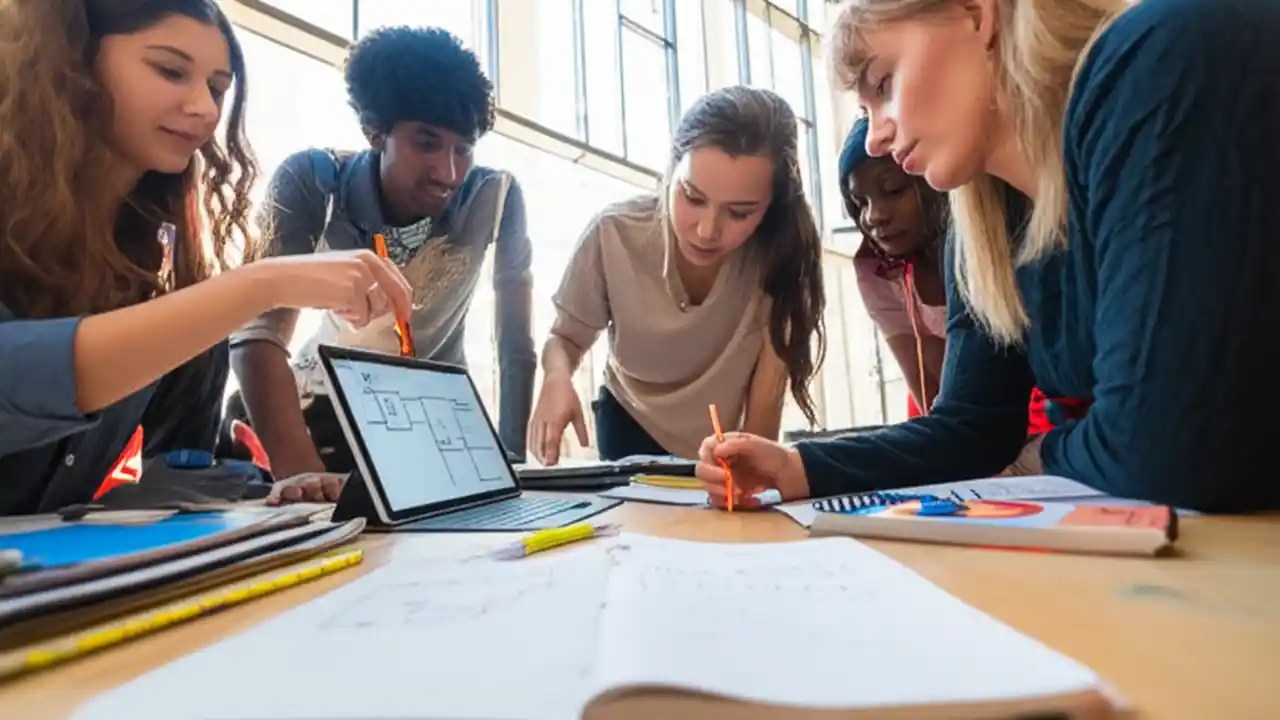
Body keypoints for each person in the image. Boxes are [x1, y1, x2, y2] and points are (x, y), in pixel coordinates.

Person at [696, 0, 1280, 513]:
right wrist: (799, 468)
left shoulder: (1160, 56)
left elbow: (1164, 443)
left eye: (883, 83)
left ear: (977, 13)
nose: (873, 137)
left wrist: (1042, 453)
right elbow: (972, 429)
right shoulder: (983, 229)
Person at [0, 0, 411, 516]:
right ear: (72, 60)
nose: (206, 109)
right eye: (170, 71)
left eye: (218, 88)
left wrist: (278, 488)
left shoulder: (164, 265)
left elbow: (172, 467)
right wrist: (257, 286)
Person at [229, 26, 536, 490]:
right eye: (427, 143)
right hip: (317, 413)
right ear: (376, 132)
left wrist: (513, 460)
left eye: (464, 148)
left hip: (438, 421)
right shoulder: (315, 181)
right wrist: (304, 474)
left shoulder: (496, 197)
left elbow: (514, 343)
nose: (448, 172)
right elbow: (257, 333)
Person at [527, 86, 826, 465]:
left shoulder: (782, 258)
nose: (706, 230)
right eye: (692, 197)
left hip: (720, 443)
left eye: (739, 213)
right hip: (628, 422)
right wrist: (556, 377)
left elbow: (763, 406)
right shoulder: (614, 232)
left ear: (772, 208)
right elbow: (566, 338)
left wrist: (748, 475)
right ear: (671, 172)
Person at [840, 116, 1066, 434]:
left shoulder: (998, 237)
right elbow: (938, 402)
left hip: (1039, 398)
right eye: (859, 203)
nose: (875, 216)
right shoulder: (877, 274)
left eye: (893, 190)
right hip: (957, 407)